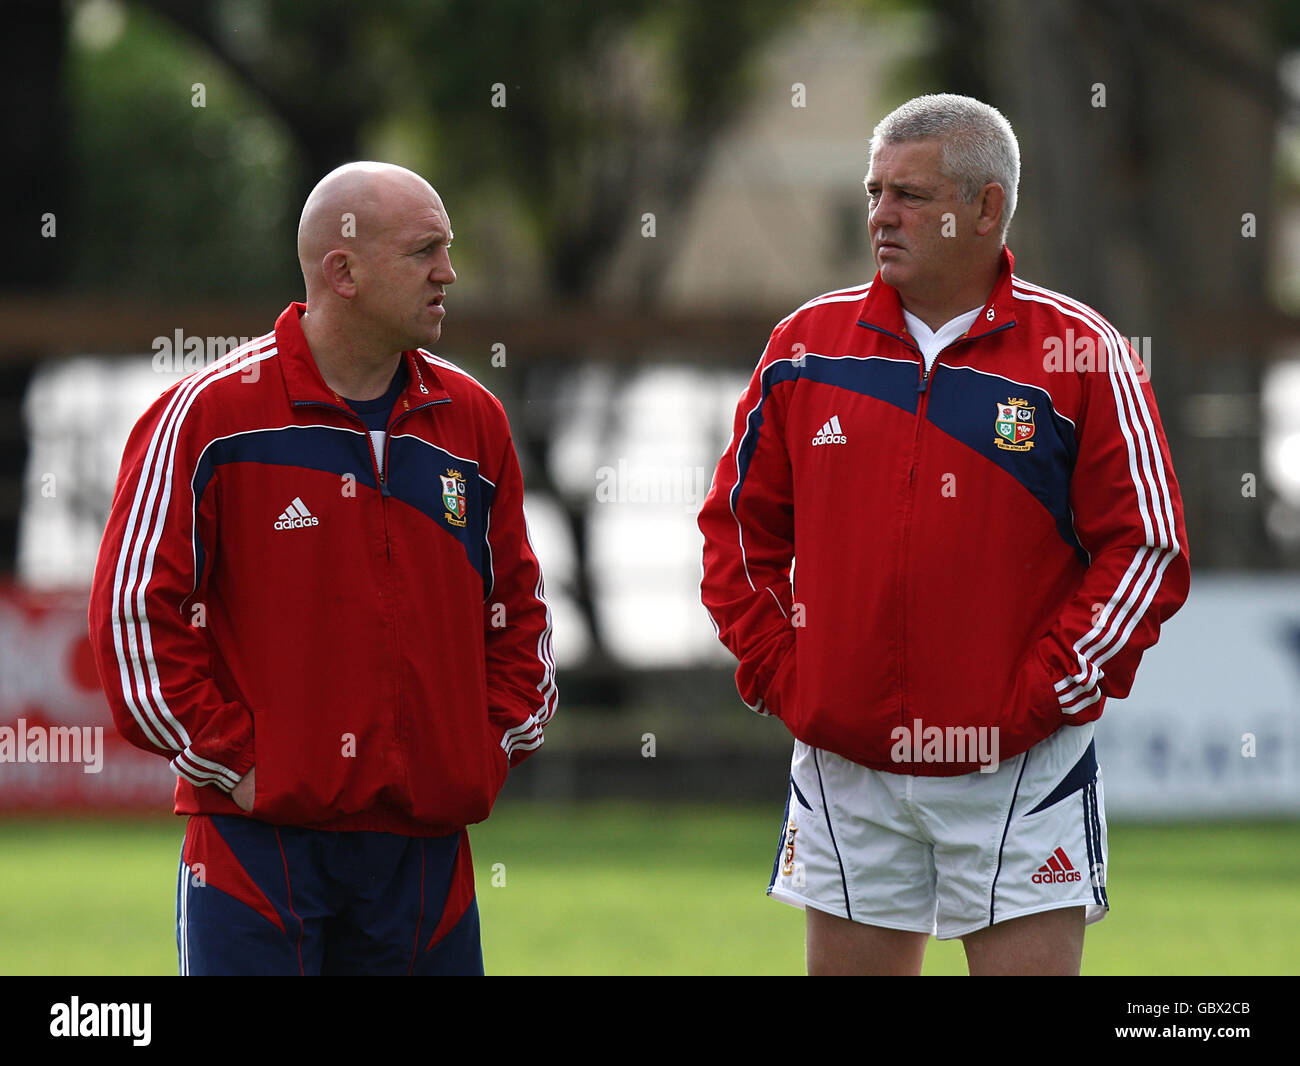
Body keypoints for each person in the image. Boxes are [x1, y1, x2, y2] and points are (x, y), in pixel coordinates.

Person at [697, 94, 1188, 976]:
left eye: (911, 196)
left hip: (1016, 769)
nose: (881, 214)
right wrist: (790, 675)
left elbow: (1145, 550)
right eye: (875, 190)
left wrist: (1038, 695)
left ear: (988, 207)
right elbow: (736, 532)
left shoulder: (1082, 353)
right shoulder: (804, 347)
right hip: (846, 767)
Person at [88, 161, 557, 975]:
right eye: (425, 251)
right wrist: (233, 761)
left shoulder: (472, 420)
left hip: (423, 861)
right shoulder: (209, 416)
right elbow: (133, 618)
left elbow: (521, 616)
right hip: (257, 852)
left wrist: (479, 751)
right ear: (342, 271)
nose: (449, 272)